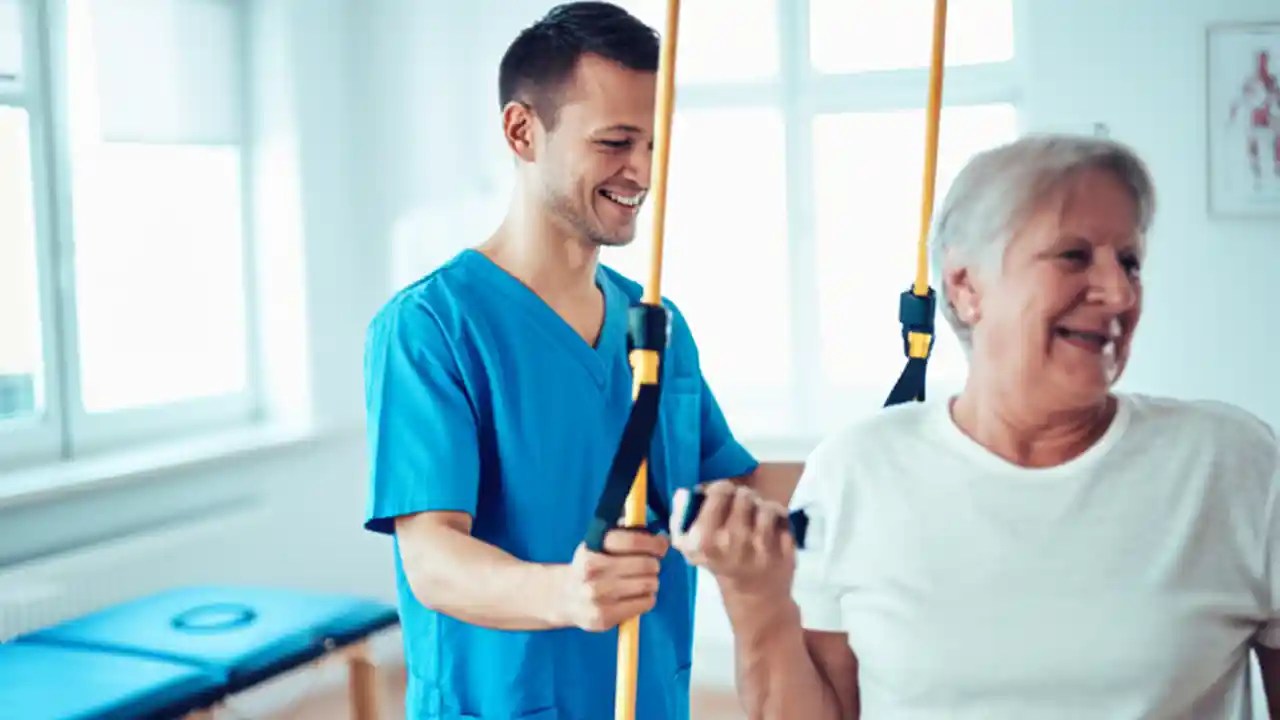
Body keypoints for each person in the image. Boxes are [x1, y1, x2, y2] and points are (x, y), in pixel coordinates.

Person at [672, 134, 1280, 718]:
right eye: (1073, 255)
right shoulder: (856, 470)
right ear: (965, 288)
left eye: (1130, 262)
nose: (1119, 293)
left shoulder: (1234, 465)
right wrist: (756, 599)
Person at [361, 3, 800, 718]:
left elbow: (733, 484)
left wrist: (894, 464)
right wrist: (563, 593)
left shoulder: (656, 324)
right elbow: (433, 559)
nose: (642, 171)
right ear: (521, 131)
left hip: (647, 697)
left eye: (654, 145)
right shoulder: (429, 328)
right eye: (616, 141)